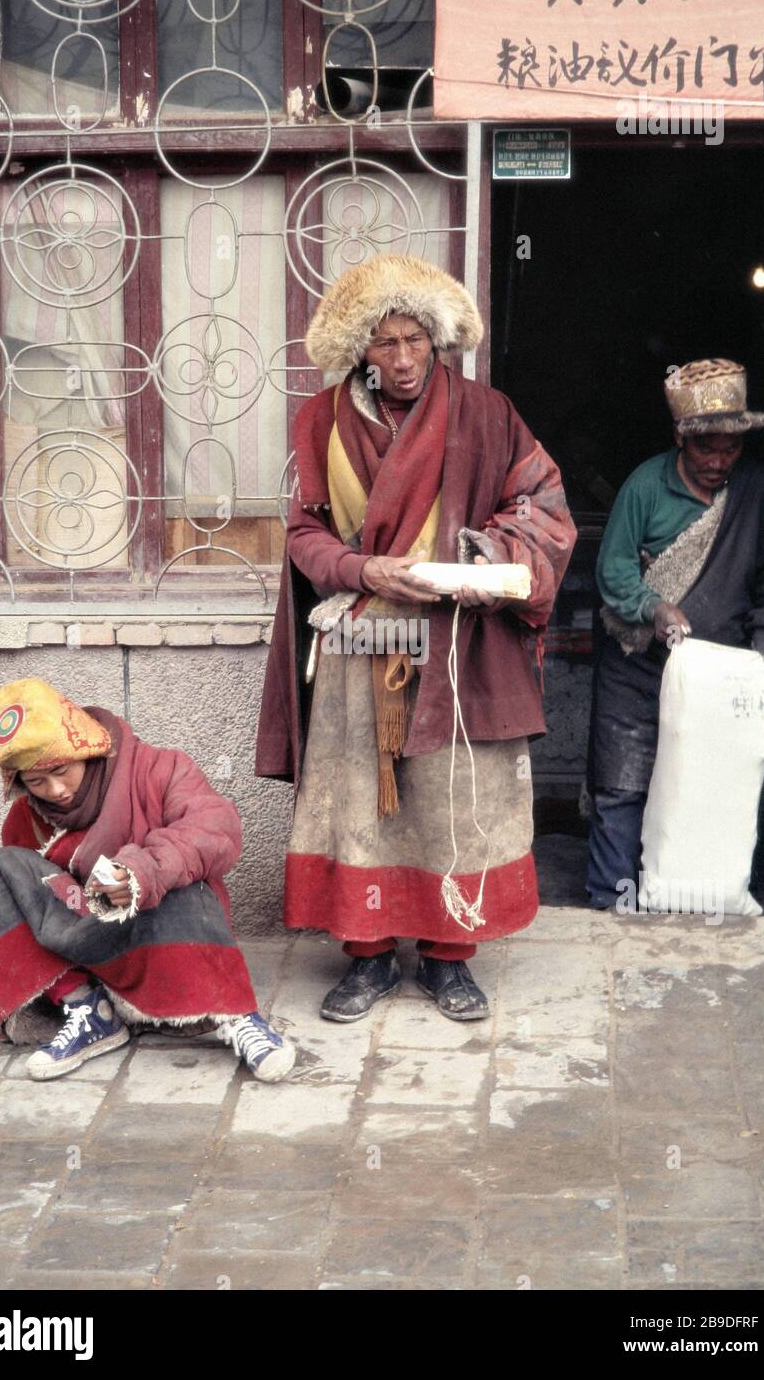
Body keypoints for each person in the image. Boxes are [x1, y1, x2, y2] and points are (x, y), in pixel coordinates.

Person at [256, 254, 577, 1022]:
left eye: (416, 340)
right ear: (359, 349)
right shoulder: (319, 420)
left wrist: (472, 559)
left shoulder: (487, 412)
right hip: (359, 635)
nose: (402, 359)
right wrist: (364, 569)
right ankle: (366, 958)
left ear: (439, 340)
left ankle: (449, 957)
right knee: (359, 800)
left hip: (458, 637)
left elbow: (542, 502)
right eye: (384, 342)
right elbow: (302, 532)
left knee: (452, 798)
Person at [0, 677, 295, 1083]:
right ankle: (87, 1010)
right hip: (80, 942)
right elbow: (32, 903)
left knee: (189, 885)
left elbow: (217, 829)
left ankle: (235, 1015)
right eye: (36, 781)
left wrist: (140, 873)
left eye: (61, 771)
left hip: (154, 935)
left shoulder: (160, 768)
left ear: (87, 750)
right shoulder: (27, 818)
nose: (55, 790)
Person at [586, 358, 764, 909]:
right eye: (705, 447)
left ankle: (705, 895)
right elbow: (613, 570)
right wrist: (652, 607)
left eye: (730, 448)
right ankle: (614, 901)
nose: (717, 461)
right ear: (679, 438)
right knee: (622, 782)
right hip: (637, 664)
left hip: (721, 671)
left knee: (719, 782)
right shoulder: (643, 486)